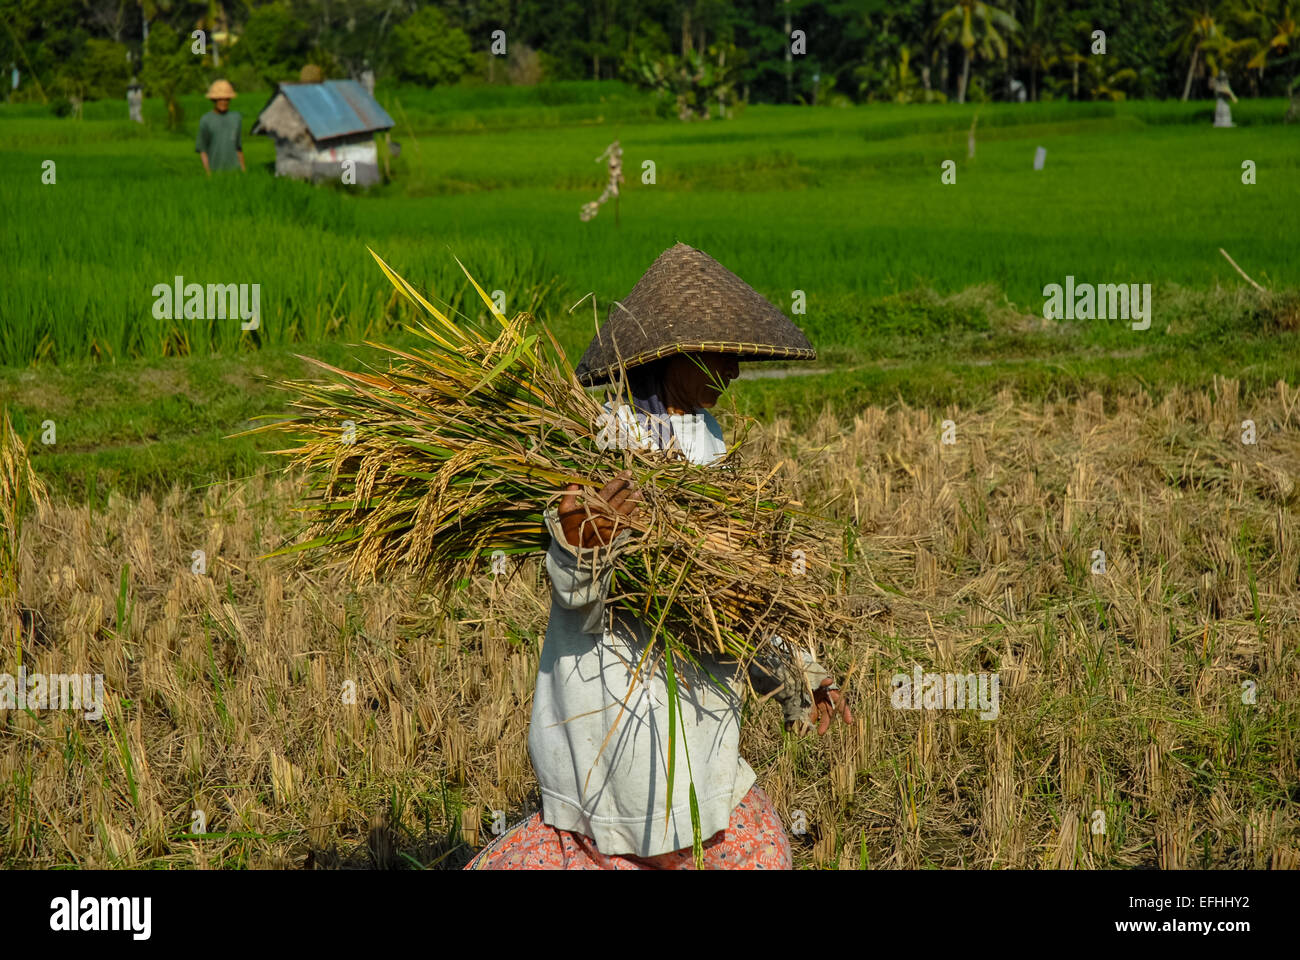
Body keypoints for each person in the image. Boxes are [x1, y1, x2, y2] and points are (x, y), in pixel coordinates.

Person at [466, 243, 851, 870]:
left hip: (698, 734)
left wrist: (797, 673)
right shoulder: (597, 445)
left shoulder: (714, 449)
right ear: (672, 356)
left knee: (754, 852)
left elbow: (736, 595)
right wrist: (587, 539)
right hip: (609, 724)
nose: (732, 371)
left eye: (737, 354)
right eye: (719, 354)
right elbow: (572, 585)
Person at [196, 79, 245, 175]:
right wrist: (208, 173)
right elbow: (203, 149)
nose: (224, 102)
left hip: (235, 171)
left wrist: (243, 170)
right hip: (215, 171)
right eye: (220, 99)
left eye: (226, 98)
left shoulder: (236, 118)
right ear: (213, 100)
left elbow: (238, 148)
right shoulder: (206, 120)